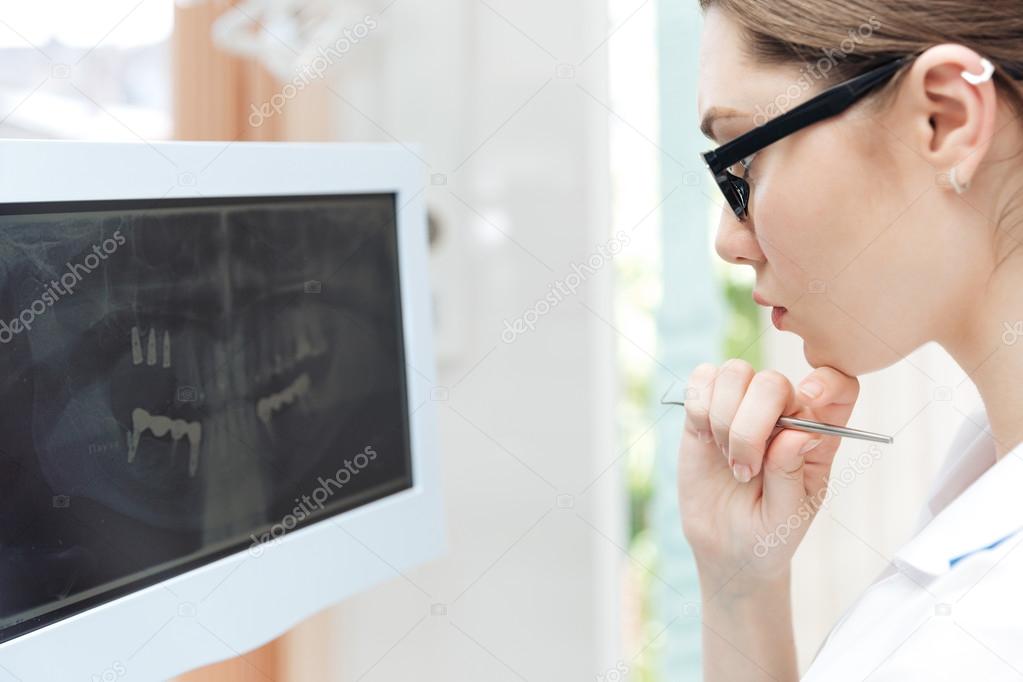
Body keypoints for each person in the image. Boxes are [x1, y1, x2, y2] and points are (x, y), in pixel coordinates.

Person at [680, 1, 1023, 679]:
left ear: (945, 119)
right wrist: (740, 587)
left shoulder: (987, 636)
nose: (728, 241)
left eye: (743, 161)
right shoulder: (987, 455)